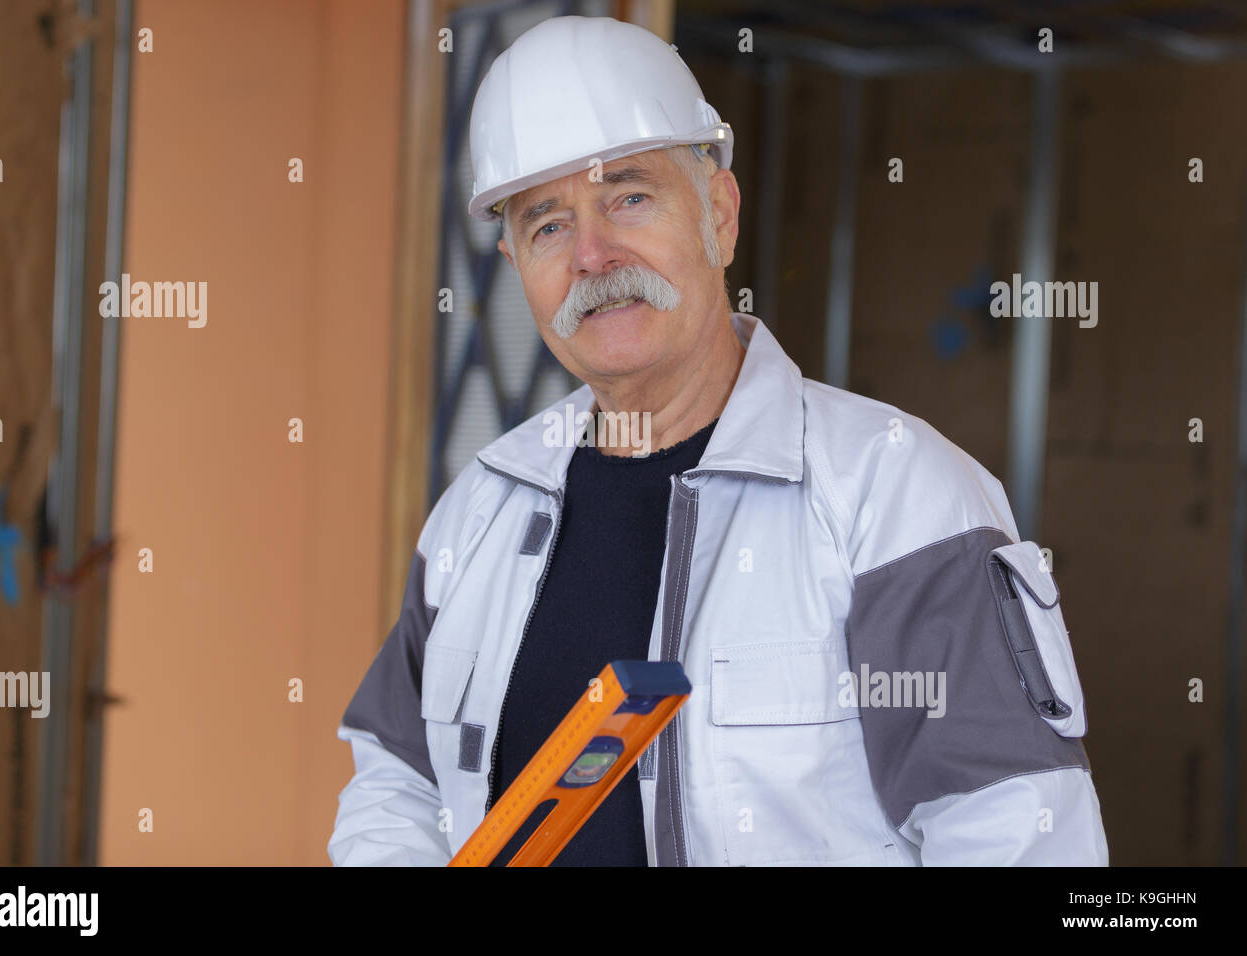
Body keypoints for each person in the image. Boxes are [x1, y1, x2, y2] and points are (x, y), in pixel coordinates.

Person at [329, 14, 1108, 866]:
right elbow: (397, 781)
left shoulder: (894, 497)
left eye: (629, 195)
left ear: (720, 216)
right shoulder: (480, 508)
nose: (593, 254)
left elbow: (1017, 836)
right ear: (518, 265)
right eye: (547, 223)